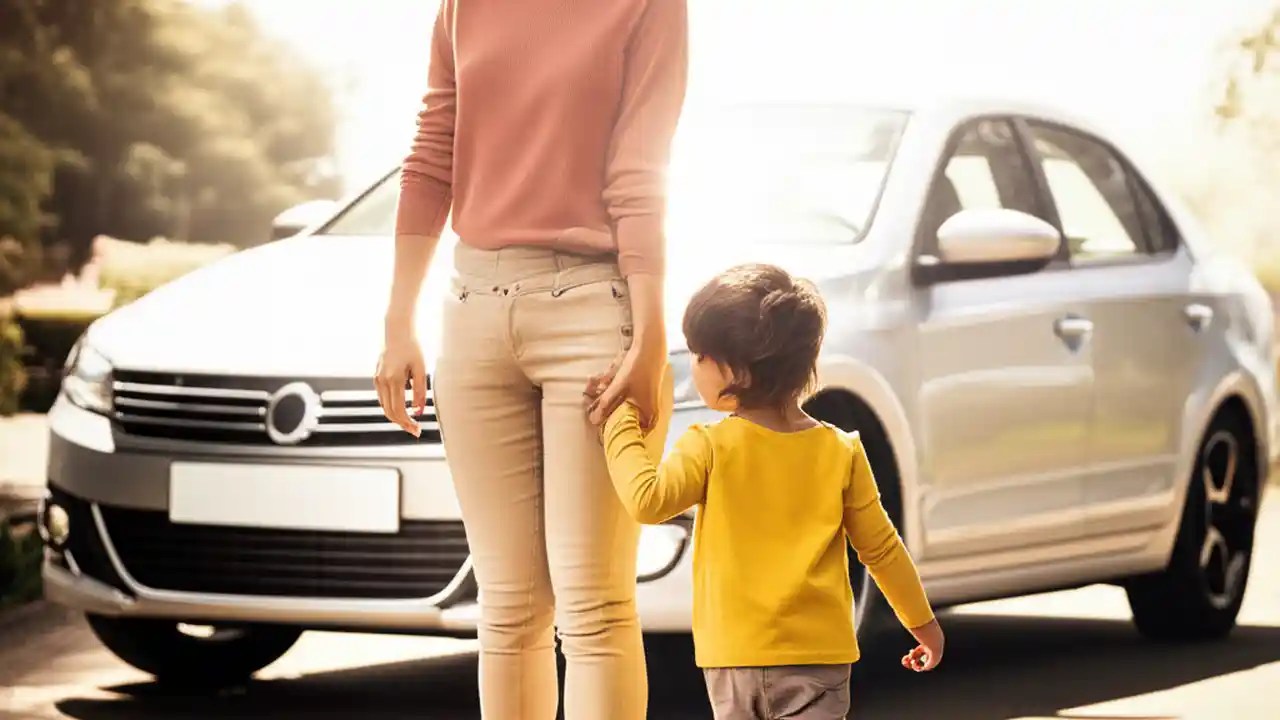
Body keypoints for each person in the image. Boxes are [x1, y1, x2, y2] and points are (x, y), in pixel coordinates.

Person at [374, 1, 688, 718]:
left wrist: (647, 336)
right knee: (509, 607)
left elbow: (642, 172)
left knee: (594, 606)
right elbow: (431, 154)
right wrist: (400, 321)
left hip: (591, 313)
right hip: (473, 312)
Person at [594, 264, 945, 720]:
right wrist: (923, 625)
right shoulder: (841, 452)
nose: (695, 366)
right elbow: (882, 550)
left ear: (736, 369)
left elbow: (647, 499)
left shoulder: (710, 444)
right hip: (819, 658)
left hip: (734, 656)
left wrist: (618, 420)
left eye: (700, 356)